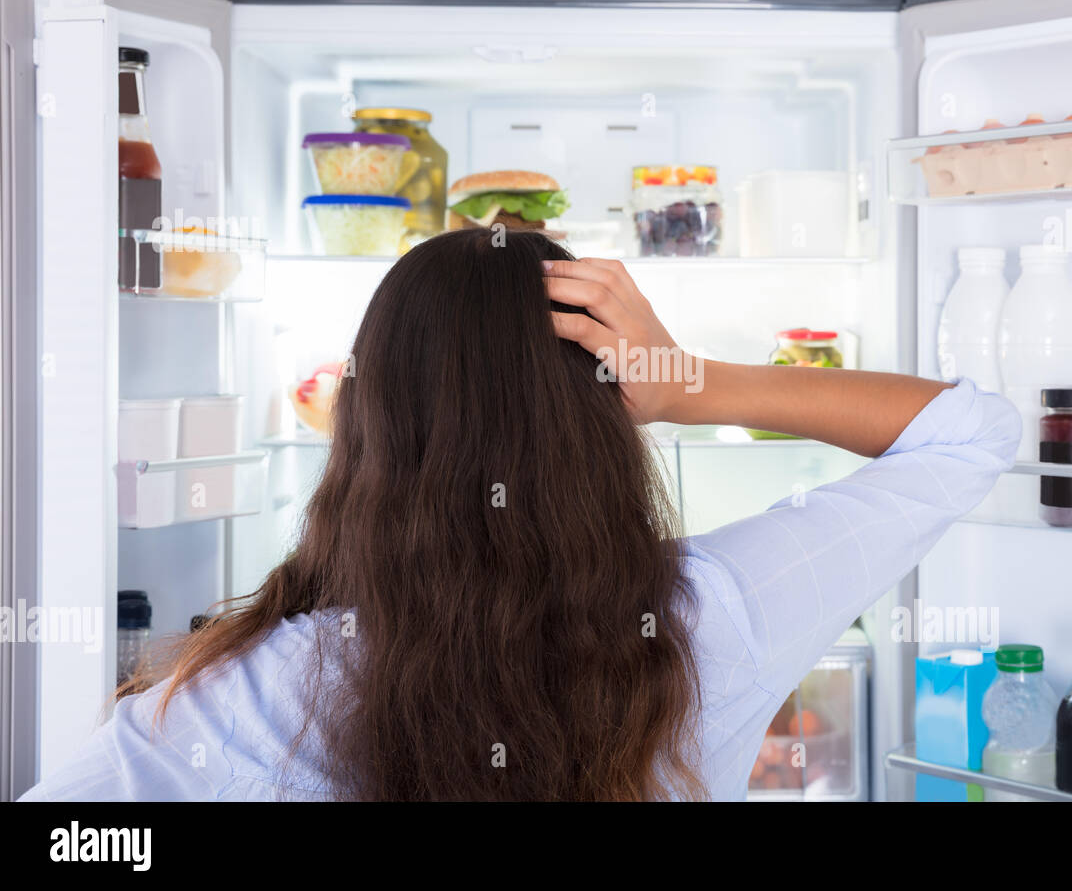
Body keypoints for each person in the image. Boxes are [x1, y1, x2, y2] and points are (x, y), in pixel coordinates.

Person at [21, 228, 1018, 801]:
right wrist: (689, 383)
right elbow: (971, 432)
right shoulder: (719, 615)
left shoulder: (252, 693)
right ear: (598, 417)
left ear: (368, 427)